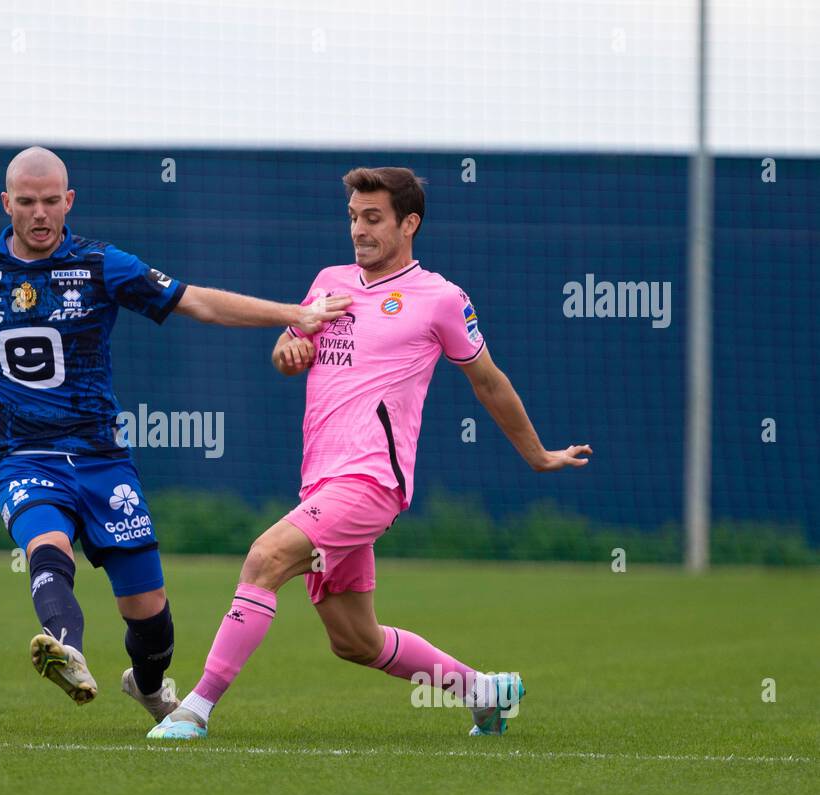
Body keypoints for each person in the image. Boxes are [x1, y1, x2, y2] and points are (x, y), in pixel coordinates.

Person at [148, 166, 593, 740]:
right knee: (354, 640)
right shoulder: (330, 280)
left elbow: (488, 381)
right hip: (320, 481)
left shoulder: (441, 299)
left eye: (373, 218)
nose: (359, 229)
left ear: (409, 223)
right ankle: (484, 691)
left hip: (372, 481)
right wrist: (289, 350)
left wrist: (538, 455)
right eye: (354, 217)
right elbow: (295, 338)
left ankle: (195, 709)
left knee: (264, 558)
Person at [0, 146, 348, 722]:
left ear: (68, 200)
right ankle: (65, 647)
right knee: (46, 547)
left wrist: (291, 314)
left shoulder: (103, 265)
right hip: (20, 454)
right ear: (7, 203)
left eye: (51, 201)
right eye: (26, 202)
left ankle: (147, 684)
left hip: (102, 459)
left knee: (151, 621)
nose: (40, 214)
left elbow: (196, 302)